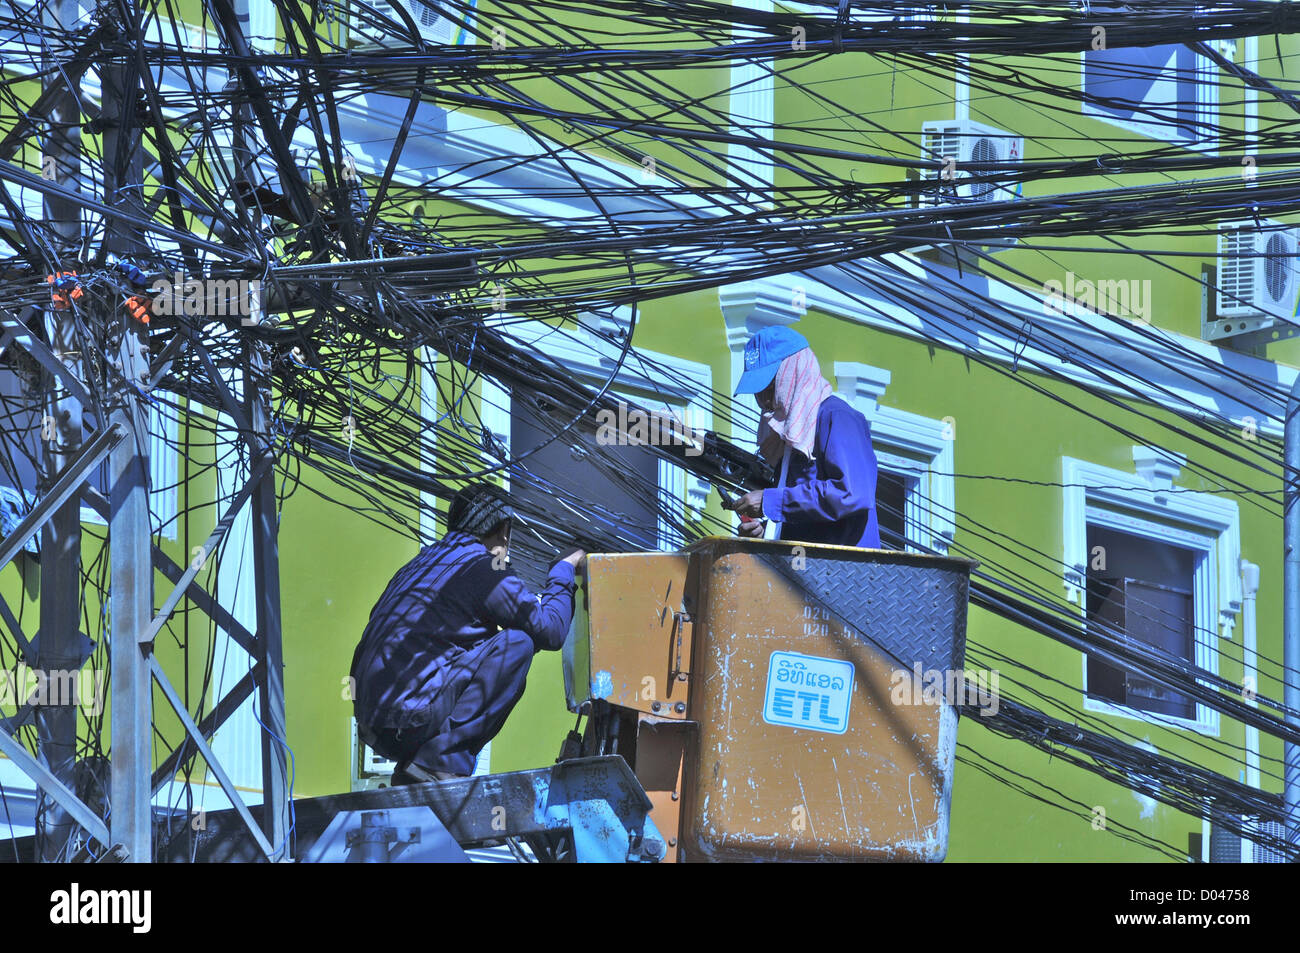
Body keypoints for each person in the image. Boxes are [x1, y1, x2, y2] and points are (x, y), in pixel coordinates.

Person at [350, 483, 585, 784]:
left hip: (373, 726)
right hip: (410, 719)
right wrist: (563, 569)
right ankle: (441, 760)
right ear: (504, 531)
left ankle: (418, 766)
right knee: (518, 643)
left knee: (491, 644)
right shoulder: (482, 568)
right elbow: (550, 631)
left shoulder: (419, 564)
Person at [724, 325, 881, 549]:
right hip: (804, 572)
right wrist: (767, 531)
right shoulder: (791, 436)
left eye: (769, 389)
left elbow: (851, 493)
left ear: (793, 373)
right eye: (758, 393)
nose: (764, 402)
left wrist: (770, 501)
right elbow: (803, 514)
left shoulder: (836, 417)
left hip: (843, 571)